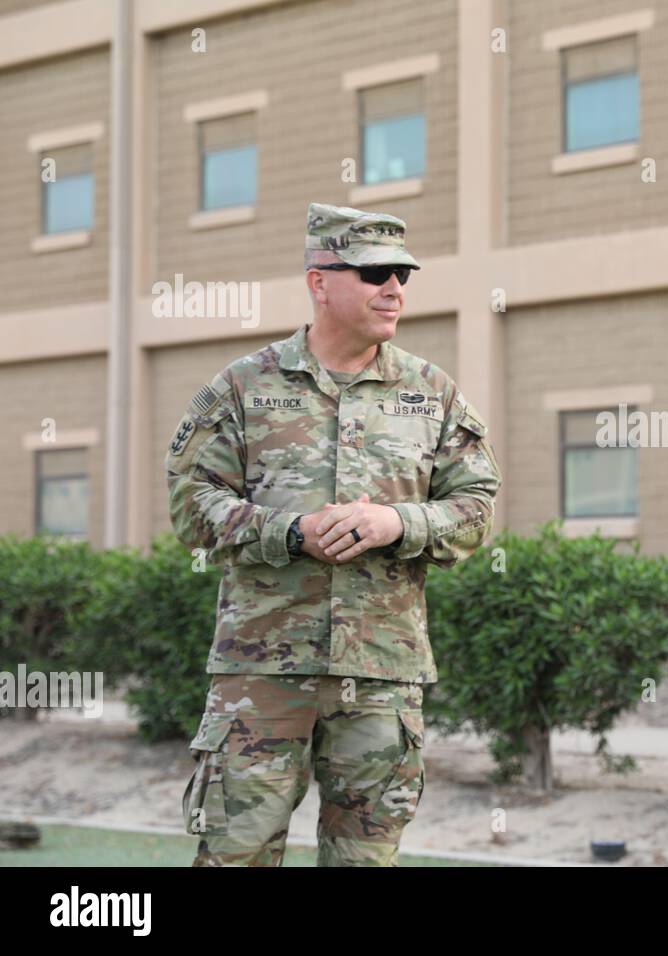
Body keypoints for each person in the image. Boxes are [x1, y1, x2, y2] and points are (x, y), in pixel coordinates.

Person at [166, 202, 501, 866]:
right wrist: (288, 532)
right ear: (319, 280)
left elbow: (477, 508)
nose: (394, 289)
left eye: (402, 274)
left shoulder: (430, 394)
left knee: (364, 860)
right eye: (374, 273)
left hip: (380, 675)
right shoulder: (243, 388)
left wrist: (397, 522)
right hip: (262, 675)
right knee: (235, 854)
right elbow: (190, 507)